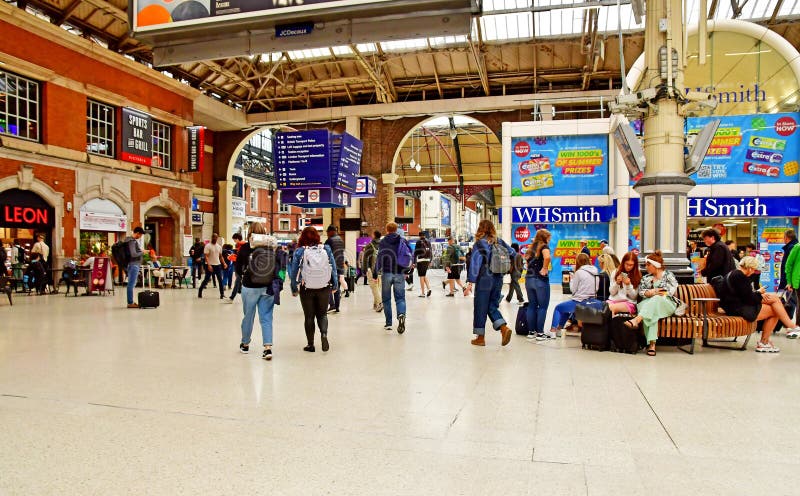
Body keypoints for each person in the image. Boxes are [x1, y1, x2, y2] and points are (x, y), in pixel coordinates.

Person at [715, 256, 800, 352]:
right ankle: (770, 339)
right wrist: (759, 294)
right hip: (739, 309)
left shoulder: (734, 274)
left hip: (735, 306)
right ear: (750, 268)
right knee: (775, 310)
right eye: (754, 270)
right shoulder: (740, 277)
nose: (753, 272)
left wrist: (758, 293)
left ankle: (787, 329)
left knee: (775, 300)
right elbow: (750, 299)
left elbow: (744, 295)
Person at [235, 223, 286, 361]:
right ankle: (267, 348)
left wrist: (245, 275)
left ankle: (245, 344)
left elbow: (238, 268)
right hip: (268, 287)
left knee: (248, 317)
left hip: (249, 287)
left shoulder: (245, 248)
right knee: (266, 318)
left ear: (250, 232)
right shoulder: (272, 247)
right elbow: (280, 267)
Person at [463, 220, 514, 347]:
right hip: (498, 278)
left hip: (485, 278)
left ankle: (480, 338)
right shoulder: (499, 241)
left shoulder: (480, 243)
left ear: (480, 229)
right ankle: (503, 328)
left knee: (481, 306)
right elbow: (514, 253)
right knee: (492, 305)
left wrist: (470, 282)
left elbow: (475, 263)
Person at [290, 226, 338, 352]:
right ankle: (324, 334)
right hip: (324, 286)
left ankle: (310, 345)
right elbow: (333, 267)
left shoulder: (300, 251)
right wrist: (335, 284)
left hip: (307, 288)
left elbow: (294, 271)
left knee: (309, 317)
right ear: (317, 236)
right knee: (322, 314)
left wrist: (294, 288)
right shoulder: (326, 249)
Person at [624, 251, 678, 356]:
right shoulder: (646, 278)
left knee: (655, 300)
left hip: (667, 304)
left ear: (655, 265)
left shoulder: (668, 275)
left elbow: (670, 291)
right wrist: (651, 292)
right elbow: (641, 291)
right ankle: (652, 345)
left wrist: (654, 292)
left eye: (648, 265)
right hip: (651, 306)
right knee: (650, 310)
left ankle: (637, 319)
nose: (646, 267)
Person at [545, 253, 598, 340]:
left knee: (558, 308)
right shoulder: (595, 270)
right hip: (591, 300)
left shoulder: (579, 272)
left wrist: (572, 278)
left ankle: (553, 330)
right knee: (566, 309)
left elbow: (573, 290)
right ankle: (559, 329)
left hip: (580, 301)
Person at [374, 222, 411, 334]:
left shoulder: (383, 242)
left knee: (386, 299)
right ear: (396, 229)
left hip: (387, 273)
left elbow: (380, 257)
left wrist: (376, 272)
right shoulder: (402, 240)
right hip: (399, 273)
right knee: (400, 298)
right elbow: (408, 255)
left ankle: (389, 323)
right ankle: (401, 314)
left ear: (387, 230)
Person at [524, 229, 552, 340]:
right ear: (545, 237)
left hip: (529, 279)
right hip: (540, 280)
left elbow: (526, 261)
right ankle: (540, 333)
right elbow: (547, 257)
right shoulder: (544, 247)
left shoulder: (531, 248)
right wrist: (544, 268)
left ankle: (531, 332)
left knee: (532, 305)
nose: (549, 240)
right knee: (543, 307)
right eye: (549, 237)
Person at [607, 252, 642, 316]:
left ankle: (612, 325)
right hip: (613, 300)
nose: (628, 267)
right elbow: (612, 293)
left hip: (629, 302)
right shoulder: (615, 272)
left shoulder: (637, 275)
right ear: (623, 263)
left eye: (631, 265)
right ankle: (611, 325)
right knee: (602, 310)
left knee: (610, 308)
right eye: (627, 264)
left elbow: (634, 297)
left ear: (635, 265)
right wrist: (617, 283)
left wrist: (628, 285)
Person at [324, 225, 346, 314]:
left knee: (328, 286)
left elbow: (326, 254)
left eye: (327, 232)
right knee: (337, 286)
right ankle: (337, 306)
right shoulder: (341, 240)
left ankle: (332, 304)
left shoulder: (329, 240)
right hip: (340, 265)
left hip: (332, 266)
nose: (327, 234)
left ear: (330, 232)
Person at [198, 233, 227, 299]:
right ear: (211, 237)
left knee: (220, 279)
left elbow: (220, 256)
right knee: (206, 279)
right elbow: (206, 256)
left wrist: (224, 263)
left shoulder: (219, 246)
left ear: (217, 238)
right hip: (209, 265)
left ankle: (222, 294)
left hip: (218, 265)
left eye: (216, 237)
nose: (214, 238)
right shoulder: (208, 246)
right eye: (213, 237)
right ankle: (200, 291)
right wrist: (209, 265)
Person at [361, 230, 382, 312]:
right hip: (381, 269)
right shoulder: (383, 245)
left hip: (372, 270)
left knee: (374, 287)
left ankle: (380, 303)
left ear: (374, 235)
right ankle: (376, 304)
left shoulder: (370, 245)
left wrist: (364, 270)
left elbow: (365, 258)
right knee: (378, 287)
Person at [782, 241, 800, 336]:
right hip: (798, 281)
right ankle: (798, 326)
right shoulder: (797, 247)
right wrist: (789, 281)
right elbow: (788, 265)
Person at [125, 227, 145, 308]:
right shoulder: (131, 241)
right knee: (131, 284)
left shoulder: (128, 240)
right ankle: (130, 303)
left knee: (132, 283)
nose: (140, 236)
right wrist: (142, 252)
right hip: (134, 265)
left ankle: (130, 302)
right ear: (137, 233)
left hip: (132, 264)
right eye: (140, 235)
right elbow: (133, 254)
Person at [225, 233, 245, 304]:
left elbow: (241, 257)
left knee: (237, 281)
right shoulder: (242, 246)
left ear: (237, 238)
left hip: (240, 267)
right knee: (239, 282)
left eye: (234, 239)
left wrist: (233, 257)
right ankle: (240, 293)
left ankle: (232, 297)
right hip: (240, 266)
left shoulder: (241, 245)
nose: (234, 241)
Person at [413, 231, 432, 298]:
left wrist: (413, 262)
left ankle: (423, 293)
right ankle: (429, 288)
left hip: (420, 260)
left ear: (419, 236)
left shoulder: (418, 242)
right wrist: (430, 261)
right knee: (424, 275)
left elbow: (415, 252)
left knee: (421, 276)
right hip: (427, 260)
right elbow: (430, 251)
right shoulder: (428, 242)